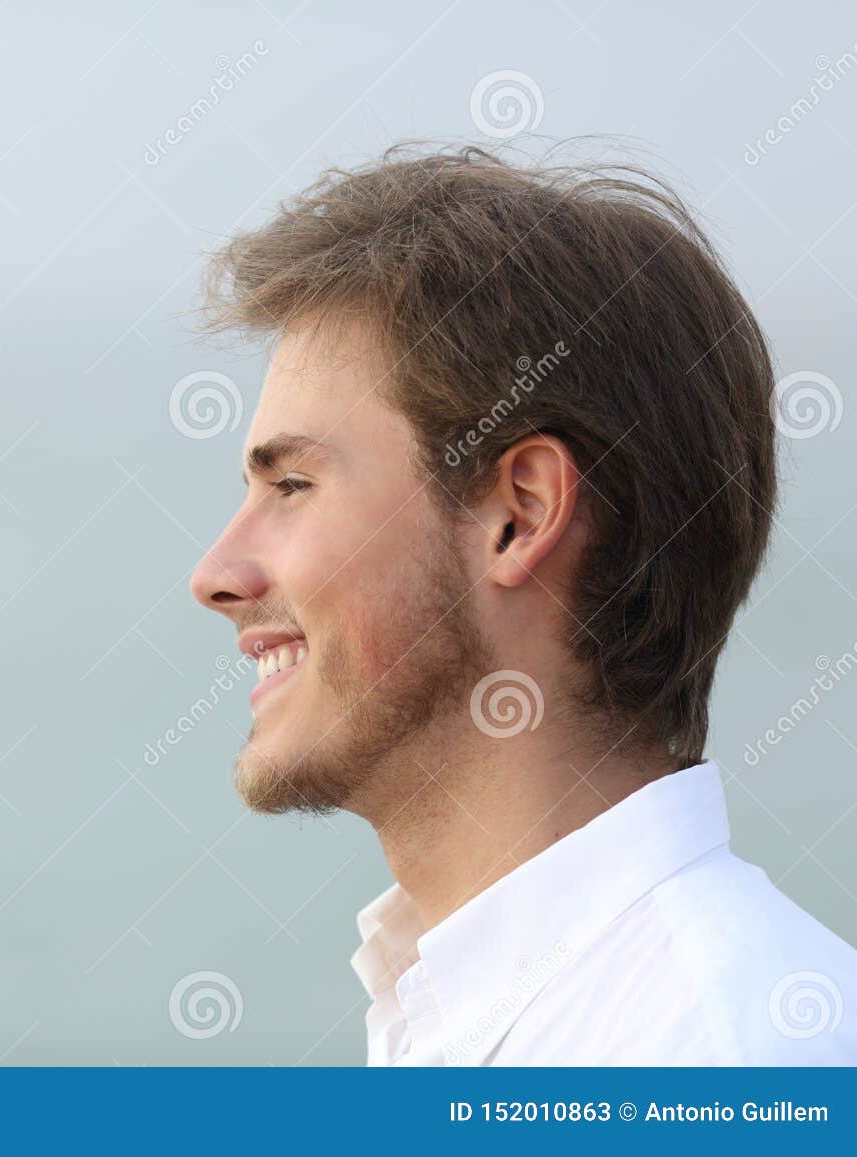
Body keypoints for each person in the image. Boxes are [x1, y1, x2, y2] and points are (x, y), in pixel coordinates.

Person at [189, 144, 857, 1065]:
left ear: (521, 514)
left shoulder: (729, 1055)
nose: (215, 574)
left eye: (293, 485)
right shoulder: (469, 1018)